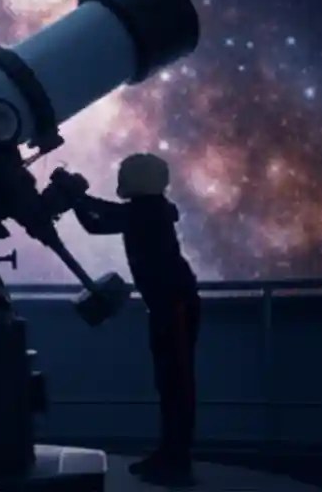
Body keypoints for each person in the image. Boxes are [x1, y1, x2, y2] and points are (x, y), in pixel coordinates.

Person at [63, 153, 200, 487]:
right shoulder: (146, 210)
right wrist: (77, 200)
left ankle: (177, 461)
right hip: (167, 305)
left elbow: (102, 220)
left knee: (177, 386)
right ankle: (168, 454)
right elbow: (103, 219)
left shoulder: (147, 211)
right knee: (169, 384)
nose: (120, 179)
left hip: (175, 305)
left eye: (125, 174)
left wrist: (75, 199)